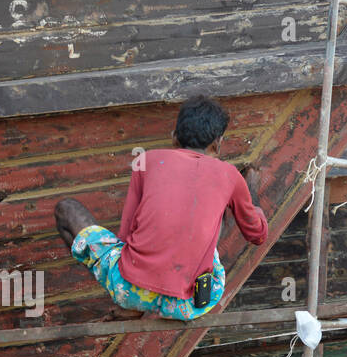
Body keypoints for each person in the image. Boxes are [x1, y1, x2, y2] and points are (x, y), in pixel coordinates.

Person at [53, 94, 268, 321]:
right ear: (218, 143)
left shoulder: (147, 161)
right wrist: (252, 199)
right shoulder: (230, 176)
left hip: (129, 290)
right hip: (190, 304)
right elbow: (257, 235)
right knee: (218, 213)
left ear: (174, 138)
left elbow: (126, 235)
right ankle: (154, 299)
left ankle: (132, 305)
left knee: (66, 209)